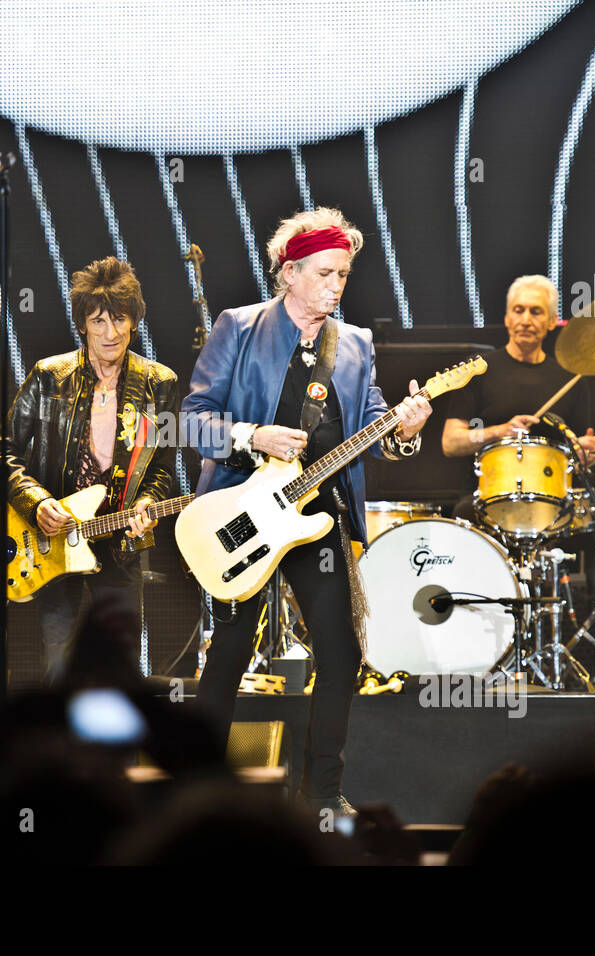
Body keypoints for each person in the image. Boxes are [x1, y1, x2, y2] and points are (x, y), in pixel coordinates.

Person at [181, 207, 432, 814]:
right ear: (289, 272)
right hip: (240, 507)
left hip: (317, 512)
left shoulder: (354, 344)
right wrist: (252, 436)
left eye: (343, 274)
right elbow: (190, 420)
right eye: (325, 273)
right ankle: (199, 790)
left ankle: (320, 793)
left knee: (341, 651)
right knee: (232, 650)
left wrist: (404, 429)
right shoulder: (238, 328)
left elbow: (370, 421)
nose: (336, 285)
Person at [0, 257, 178, 684]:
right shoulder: (48, 376)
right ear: (82, 324)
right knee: (59, 664)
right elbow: (3, 451)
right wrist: (37, 503)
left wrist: (149, 502)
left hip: (120, 544)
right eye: (98, 321)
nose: (110, 334)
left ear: (134, 321)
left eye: (120, 320)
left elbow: (164, 468)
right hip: (53, 542)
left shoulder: (160, 383)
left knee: (122, 666)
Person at [440, 274, 595, 518]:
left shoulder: (571, 380)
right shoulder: (476, 370)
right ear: (507, 318)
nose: (525, 320)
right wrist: (499, 431)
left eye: (536, 312)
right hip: (487, 496)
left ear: (551, 321)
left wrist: (585, 454)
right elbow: (450, 442)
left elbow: (577, 452)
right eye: (519, 310)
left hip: (552, 500)